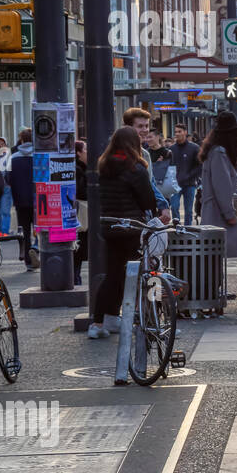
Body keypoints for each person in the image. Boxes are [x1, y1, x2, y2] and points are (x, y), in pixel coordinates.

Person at [90, 127, 157, 360]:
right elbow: (148, 200)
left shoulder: (104, 166)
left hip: (110, 228)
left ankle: (99, 322)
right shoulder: (135, 168)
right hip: (131, 228)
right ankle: (145, 318)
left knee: (112, 274)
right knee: (142, 273)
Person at [199, 111, 237, 258]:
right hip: (219, 216)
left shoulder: (216, 152)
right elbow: (223, 187)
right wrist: (230, 214)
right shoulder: (219, 153)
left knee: (217, 259)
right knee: (220, 256)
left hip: (216, 213)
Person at [121, 107, 172, 224]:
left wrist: (163, 205)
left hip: (143, 213)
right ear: (128, 128)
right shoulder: (120, 152)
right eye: (140, 126)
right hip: (126, 214)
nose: (145, 130)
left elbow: (150, 182)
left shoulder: (145, 154)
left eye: (146, 126)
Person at [7, 128, 37, 268]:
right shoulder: (38, 156)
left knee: (25, 230)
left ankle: (28, 260)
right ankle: (36, 248)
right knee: (40, 227)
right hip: (37, 199)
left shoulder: (12, 158)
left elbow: (7, 179)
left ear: (22, 140)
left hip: (20, 200)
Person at [168, 123, 201, 223]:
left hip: (189, 184)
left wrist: (190, 176)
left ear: (185, 132)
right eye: (176, 132)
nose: (177, 134)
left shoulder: (194, 148)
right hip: (175, 185)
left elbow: (200, 166)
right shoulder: (171, 149)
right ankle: (176, 228)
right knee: (174, 207)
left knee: (188, 211)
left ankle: (188, 230)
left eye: (179, 131)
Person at [74, 140, 89, 286]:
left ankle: (76, 277)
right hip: (80, 213)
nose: (88, 152)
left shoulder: (82, 168)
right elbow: (81, 192)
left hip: (81, 214)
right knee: (77, 248)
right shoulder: (78, 170)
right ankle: (75, 278)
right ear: (78, 153)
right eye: (85, 150)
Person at [0, 137, 12, 235]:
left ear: (5, 145)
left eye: (2, 143)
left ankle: (5, 232)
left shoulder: (9, 157)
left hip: (6, 187)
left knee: (5, 211)